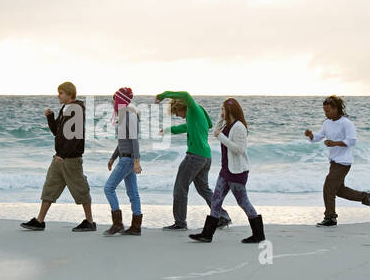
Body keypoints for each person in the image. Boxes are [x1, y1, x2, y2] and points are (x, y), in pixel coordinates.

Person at [21, 81, 96, 231]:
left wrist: (64, 154)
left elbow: (76, 137)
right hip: (59, 158)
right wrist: (50, 117)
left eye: (61, 93)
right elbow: (57, 132)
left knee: (80, 189)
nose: (58, 95)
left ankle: (90, 222)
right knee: (50, 187)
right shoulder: (65, 108)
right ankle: (39, 221)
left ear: (69, 94)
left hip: (71, 159)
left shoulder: (76, 109)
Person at [190, 97, 264, 244]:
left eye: (223, 109)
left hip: (237, 172)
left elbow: (239, 149)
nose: (221, 112)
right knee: (216, 200)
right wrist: (221, 117)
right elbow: (216, 131)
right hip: (225, 170)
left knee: (243, 202)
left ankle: (258, 234)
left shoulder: (239, 127)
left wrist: (222, 137)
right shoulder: (227, 124)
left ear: (230, 110)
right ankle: (207, 234)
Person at [155, 90, 230, 230]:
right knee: (204, 189)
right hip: (206, 157)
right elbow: (207, 124)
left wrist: (162, 95)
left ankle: (180, 223)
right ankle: (223, 216)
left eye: (176, 112)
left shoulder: (192, 108)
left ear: (181, 107)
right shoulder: (198, 112)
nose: (178, 115)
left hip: (194, 156)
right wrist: (169, 130)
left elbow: (186, 95)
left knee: (180, 188)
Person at [305, 94, 370, 225]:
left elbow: (352, 141)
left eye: (328, 110)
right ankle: (368, 197)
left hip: (343, 162)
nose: (326, 113)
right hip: (333, 161)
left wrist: (335, 143)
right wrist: (311, 136)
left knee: (328, 187)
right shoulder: (327, 123)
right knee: (338, 190)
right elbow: (318, 137)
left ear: (336, 109)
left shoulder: (346, 123)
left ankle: (330, 217)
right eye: (324, 110)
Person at [102, 88, 143, 235]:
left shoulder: (129, 116)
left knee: (108, 188)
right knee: (133, 193)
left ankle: (117, 224)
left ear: (120, 100)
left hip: (128, 160)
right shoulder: (124, 116)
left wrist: (136, 161)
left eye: (114, 99)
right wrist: (113, 158)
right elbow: (122, 143)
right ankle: (136, 227)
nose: (112, 102)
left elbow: (134, 141)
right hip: (125, 157)